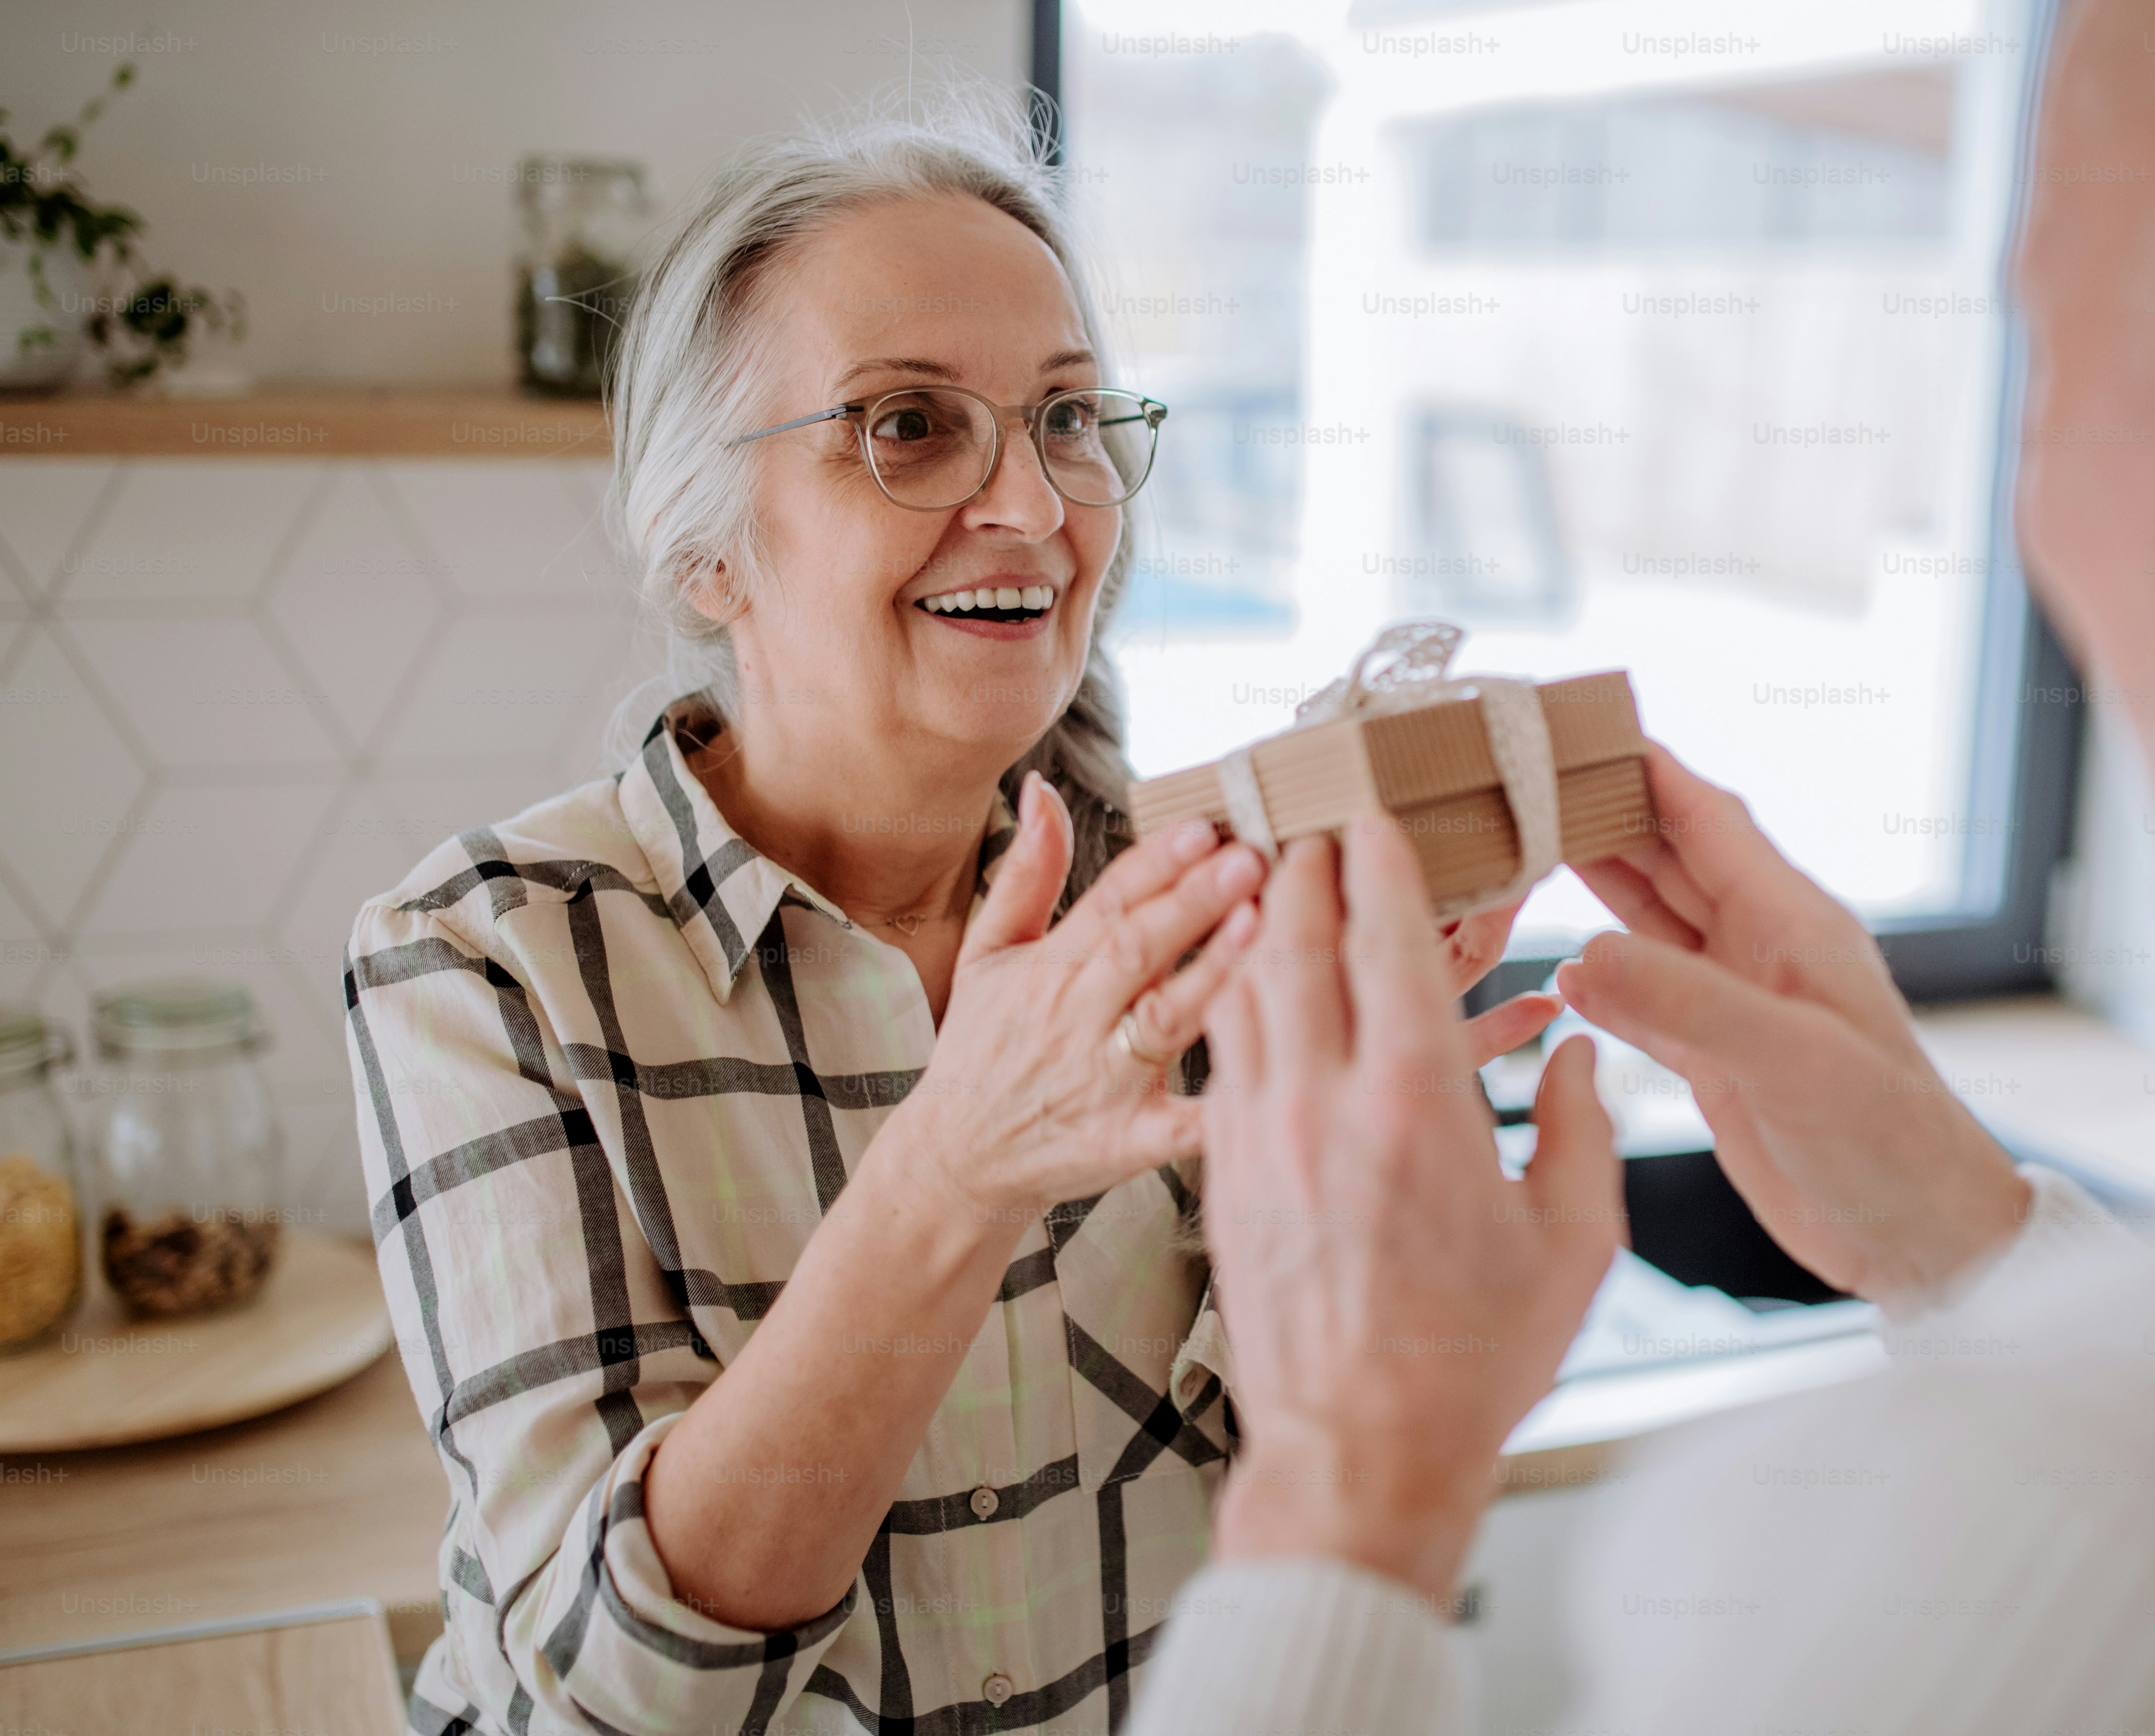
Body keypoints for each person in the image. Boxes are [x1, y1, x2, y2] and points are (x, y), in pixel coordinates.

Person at [1123, 0, 2155, 1727]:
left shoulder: (1954, 1589)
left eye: (2046, 351)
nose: (2044, 518)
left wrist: (1343, 1499)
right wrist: (1965, 1236)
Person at [342, 102, 1544, 1735]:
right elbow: (603, 1698)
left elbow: (1321, 1535)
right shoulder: (487, 962)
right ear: (708, 553)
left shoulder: (1199, 902)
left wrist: (1366, 1156)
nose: (1035, 509)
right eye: (907, 425)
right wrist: (961, 1161)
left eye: (1067, 420)